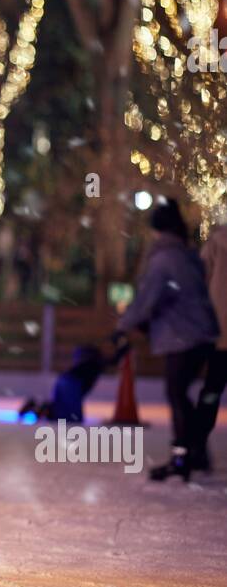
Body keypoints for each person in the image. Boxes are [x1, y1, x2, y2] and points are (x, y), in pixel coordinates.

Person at [117, 198, 218, 481]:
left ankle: (185, 455)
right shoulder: (187, 254)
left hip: (183, 337)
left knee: (177, 394)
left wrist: (123, 325)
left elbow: (147, 298)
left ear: (158, 230)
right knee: (182, 395)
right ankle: (193, 452)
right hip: (202, 335)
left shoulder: (164, 259)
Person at [18, 340, 129, 425]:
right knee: (72, 419)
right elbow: (114, 360)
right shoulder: (96, 364)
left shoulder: (88, 365)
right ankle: (39, 409)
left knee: (63, 412)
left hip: (64, 381)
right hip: (71, 385)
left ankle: (37, 407)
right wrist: (124, 348)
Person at [193, 218, 227, 471]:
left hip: (220, 333)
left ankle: (198, 446)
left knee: (212, 391)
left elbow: (199, 281)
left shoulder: (217, 242)